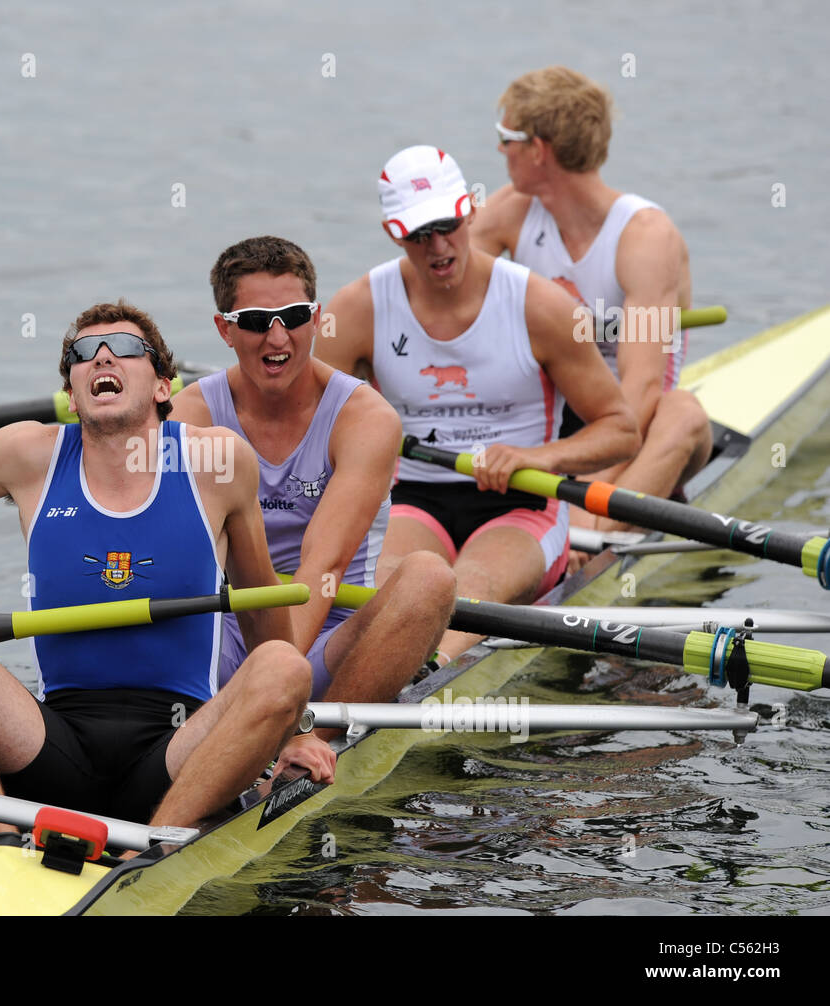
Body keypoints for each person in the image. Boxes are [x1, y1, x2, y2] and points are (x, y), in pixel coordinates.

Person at [0, 300, 334, 833]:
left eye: (125, 347)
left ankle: (153, 847)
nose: (102, 357)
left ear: (163, 385)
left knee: (285, 667)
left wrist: (299, 727)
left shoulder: (217, 461)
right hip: (53, 742)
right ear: (71, 397)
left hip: (178, 748)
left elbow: (261, 604)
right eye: (82, 353)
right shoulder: (30, 454)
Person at [318, 146, 639, 663]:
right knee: (388, 595)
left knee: (470, 589)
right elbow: (309, 432)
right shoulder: (357, 310)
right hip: (411, 497)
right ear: (392, 232)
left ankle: (419, 677)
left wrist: (535, 458)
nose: (438, 246)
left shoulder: (539, 305)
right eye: (418, 233)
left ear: (469, 208)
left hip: (522, 500)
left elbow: (621, 430)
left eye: (447, 224)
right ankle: (369, 686)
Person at [169, 235, 456, 755]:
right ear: (225, 330)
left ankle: (313, 744)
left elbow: (321, 567)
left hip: (328, 640)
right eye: (257, 320)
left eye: (294, 316)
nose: (278, 338)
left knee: (429, 580)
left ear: (317, 319)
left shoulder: (365, 418)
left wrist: (270, 688)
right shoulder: (192, 414)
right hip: (224, 641)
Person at [472, 66, 713, 554]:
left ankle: (587, 542)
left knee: (683, 413)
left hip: (632, 420)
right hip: (553, 409)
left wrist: (581, 481)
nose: (499, 149)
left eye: (506, 136)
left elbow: (641, 389)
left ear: (538, 150)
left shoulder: (645, 238)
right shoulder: (509, 212)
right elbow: (435, 290)